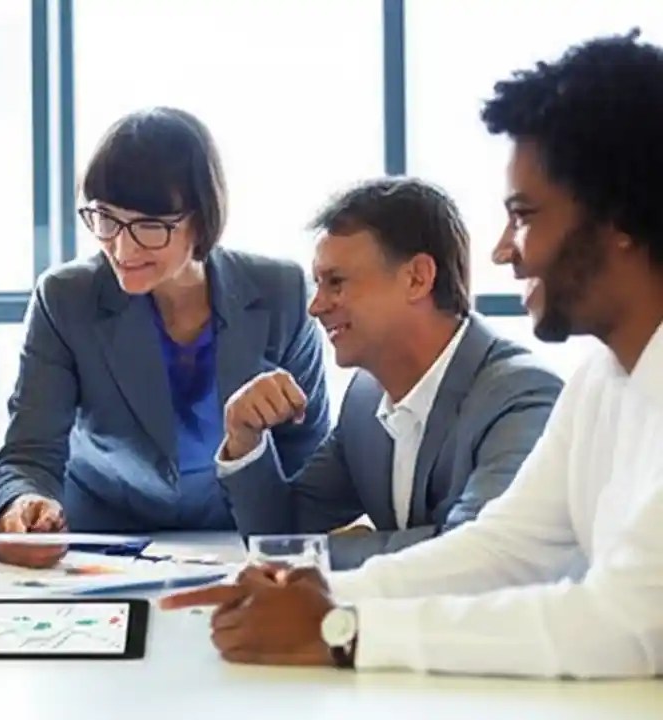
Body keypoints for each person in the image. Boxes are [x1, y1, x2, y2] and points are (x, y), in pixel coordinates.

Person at [163, 31, 663, 679]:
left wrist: (345, 629)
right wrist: (322, 597)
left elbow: (625, 626)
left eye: (525, 215)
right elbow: (505, 548)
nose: (505, 251)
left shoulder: (530, 388)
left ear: (618, 219)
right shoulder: (603, 379)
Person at [0, 107, 330, 561]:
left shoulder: (281, 293)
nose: (122, 248)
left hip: (236, 540)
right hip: (100, 542)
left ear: (202, 219)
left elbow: (309, 464)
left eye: (150, 226)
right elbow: (28, 454)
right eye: (105, 218)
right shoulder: (66, 299)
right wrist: (24, 504)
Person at [216, 177, 562, 569]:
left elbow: (472, 557)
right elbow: (280, 539)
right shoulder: (365, 399)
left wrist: (330, 551)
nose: (315, 307)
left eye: (336, 282)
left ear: (417, 278)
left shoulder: (522, 398)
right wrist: (244, 440)